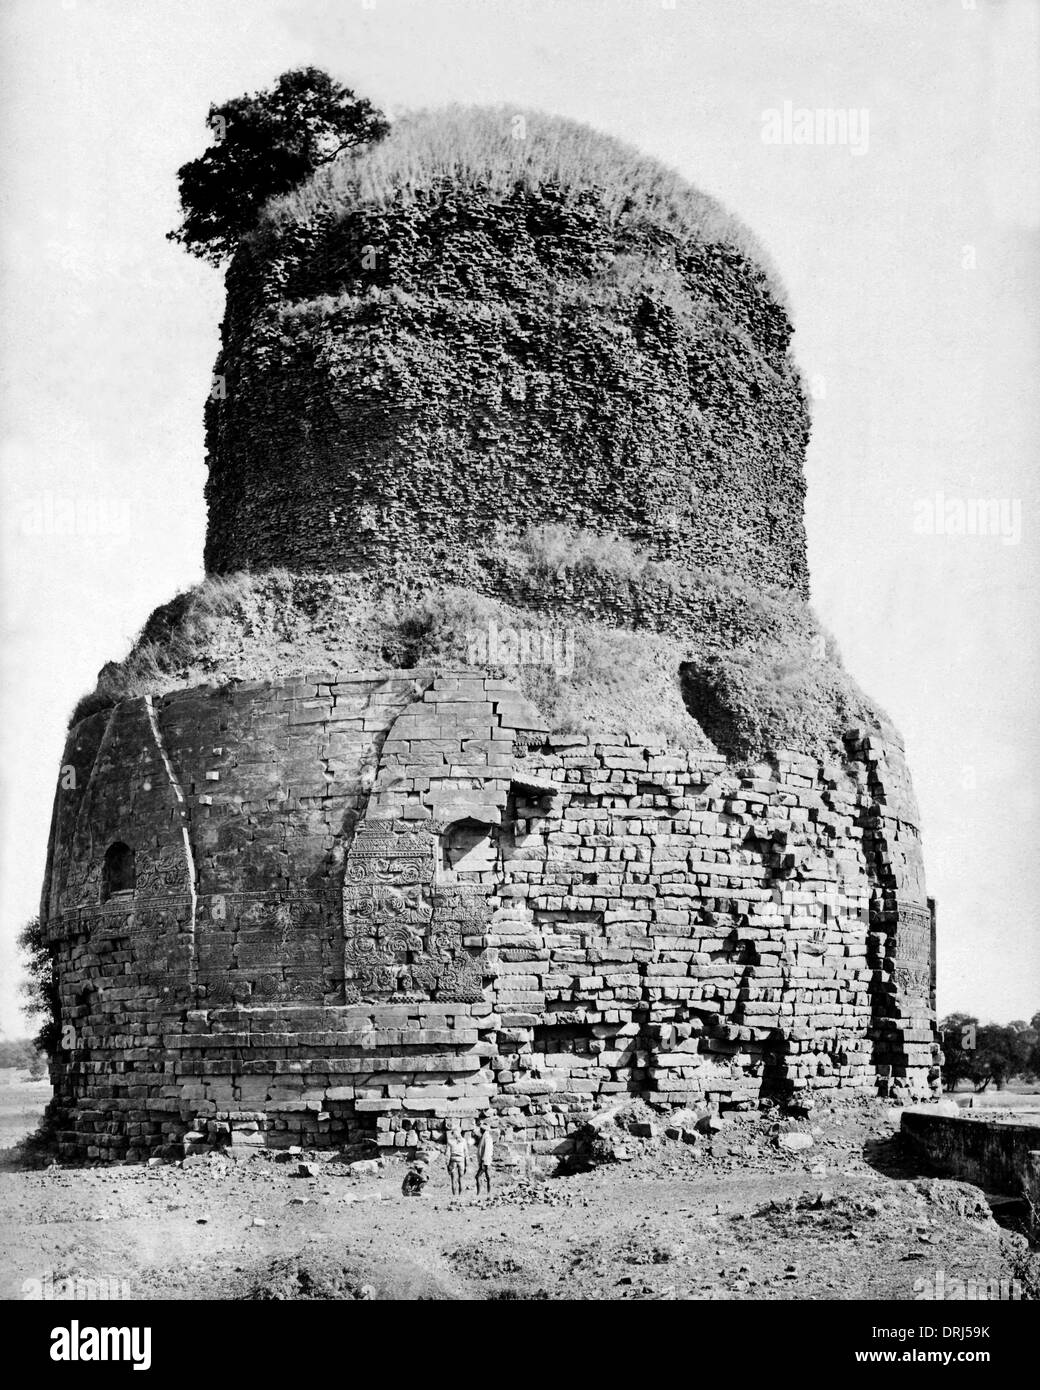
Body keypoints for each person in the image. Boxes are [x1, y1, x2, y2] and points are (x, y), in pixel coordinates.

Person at [445, 1123, 468, 1197]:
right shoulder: (463, 1141)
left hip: (453, 1160)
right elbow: (466, 1153)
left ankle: (454, 1196)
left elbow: (447, 1154)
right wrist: (467, 1164)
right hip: (461, 1160)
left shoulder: (450, 1141)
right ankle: (460, 1196)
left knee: (453, 1179)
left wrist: (447, 1164)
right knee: (461, 1178)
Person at [474, 1121, 493, 1197]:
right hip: (484, 1160)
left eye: (481, 1129)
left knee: (478, 1176)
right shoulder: (484, 1137)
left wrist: (483, 1161)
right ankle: (488, 1193)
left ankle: (480, 1193)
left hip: (485, 1161)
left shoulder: (487, 1138)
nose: (480, 1130)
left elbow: (487, 1151)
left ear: (483, 1130)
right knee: (488, 1177)